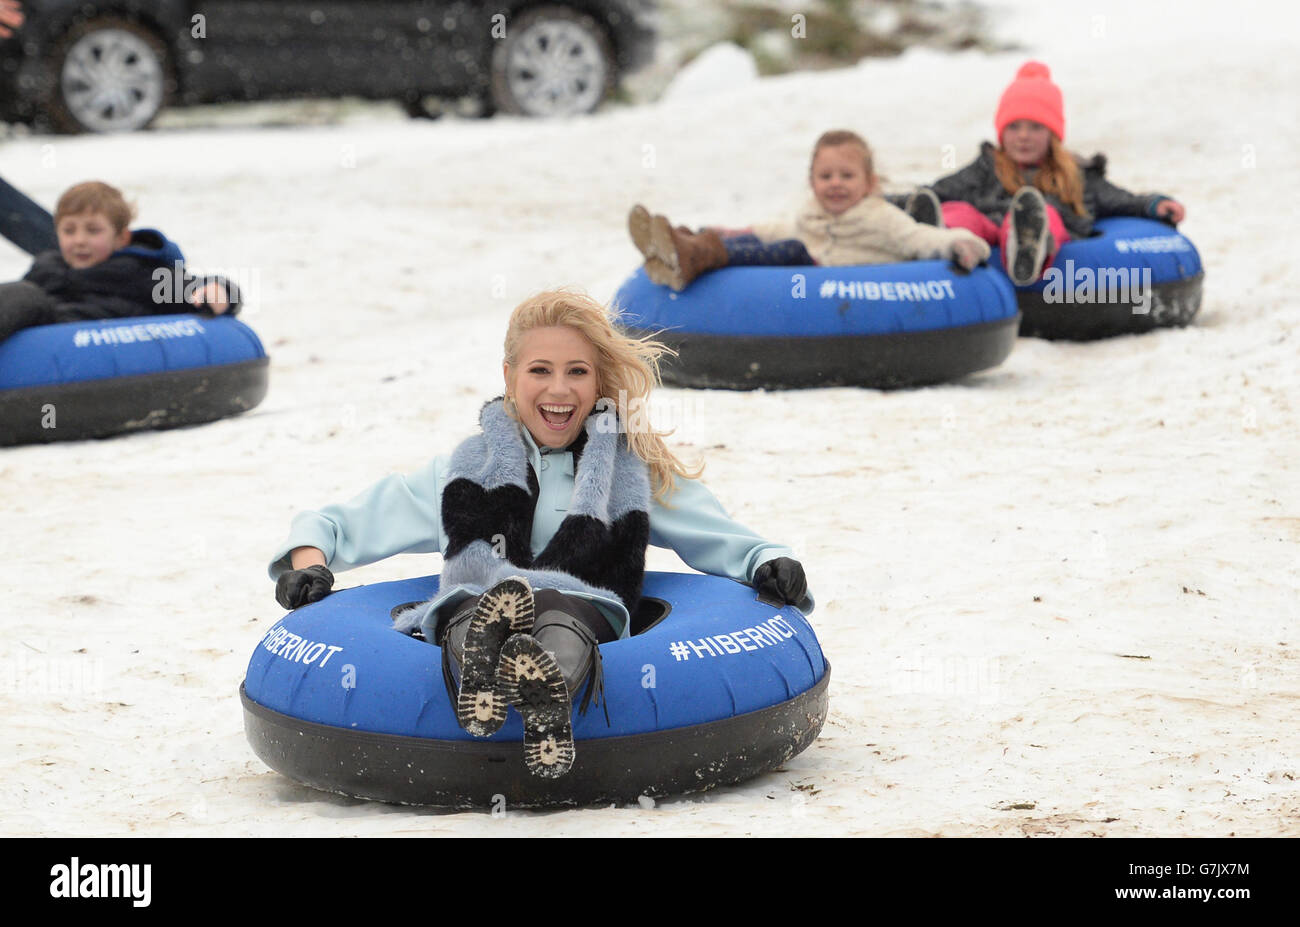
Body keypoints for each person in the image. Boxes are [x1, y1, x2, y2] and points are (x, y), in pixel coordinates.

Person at [268, 289, 813, 778]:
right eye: (540, 371)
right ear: (509, 377)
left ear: (598, 380)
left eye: (577, 372)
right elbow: (344, 521)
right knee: (471, 606)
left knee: (552, 607)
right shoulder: (464, 470)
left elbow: (714, 532)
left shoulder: (628, 472)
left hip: (583, 608)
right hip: (479, 601)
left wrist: (767, 560)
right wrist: (308, 563)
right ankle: (482, 669)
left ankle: (543, 690)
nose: (559, 389)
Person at [892, 61, 1187, 286]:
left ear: (1053, 134)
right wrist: (887, 202)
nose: (1023, 136)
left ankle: (1029, 246)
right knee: (958, 209)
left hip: (1044, 232)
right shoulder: (987, 166)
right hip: (989, 231)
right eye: (1014, 127)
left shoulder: (1077, 173)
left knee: (1043, 211)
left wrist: (1154, 204)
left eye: (1035, 127)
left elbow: (1120, 200)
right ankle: (941, 239)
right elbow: (939, 191)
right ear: (1001, 131)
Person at [627, 129, 990, 291]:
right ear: (812, 180)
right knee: (767, 240)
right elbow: (780, 228)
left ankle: (695, 255)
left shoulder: (881, 216)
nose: (835, 184)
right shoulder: (812, 214)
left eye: (846, 176)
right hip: (802, 262)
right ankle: (678, 246)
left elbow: (919, 237)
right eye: (825, 176)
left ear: (869, 182)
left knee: (792, 250)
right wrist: (732, 231)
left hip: (826, 278)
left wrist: (958, 242)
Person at [0, 180, 238, 341]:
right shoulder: (47, 268)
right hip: (38, 337)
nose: (79, 240)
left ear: (121, 238)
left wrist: (218, 290)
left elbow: (189, 287)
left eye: (93, 231)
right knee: (24, 294)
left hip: (83, 338)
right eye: (69, 231)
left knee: (27, 296)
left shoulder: (139, 272)